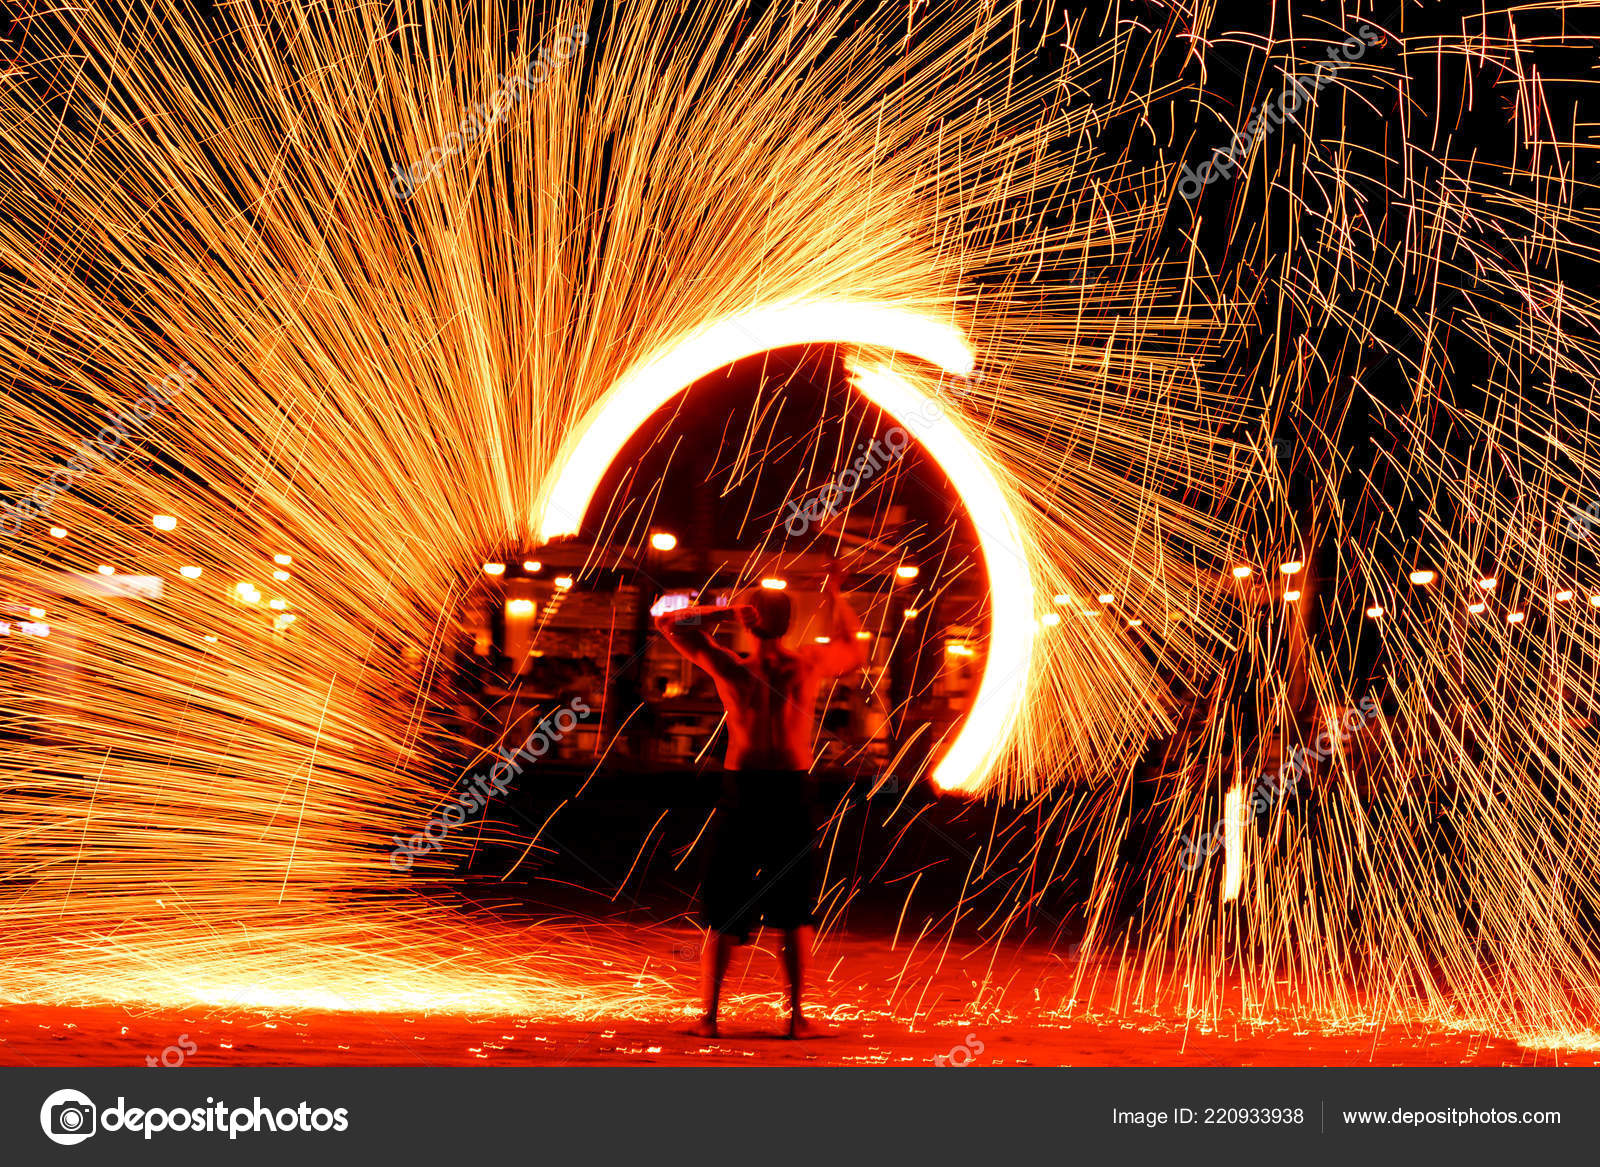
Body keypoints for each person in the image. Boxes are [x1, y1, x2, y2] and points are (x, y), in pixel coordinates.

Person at [654, 567, 865, 1037]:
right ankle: (794, 1020)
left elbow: (667, 621)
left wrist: (726, 607)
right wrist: (835, 594)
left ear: (748, 622)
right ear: (789, 623)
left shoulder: (730, 666)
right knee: (794, 908)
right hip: (790, 789)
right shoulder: (806, 665)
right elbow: (856, 646)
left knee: (725, 905)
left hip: (744, 788)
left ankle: (709, 1018)